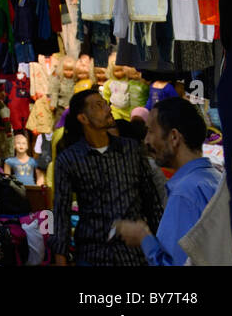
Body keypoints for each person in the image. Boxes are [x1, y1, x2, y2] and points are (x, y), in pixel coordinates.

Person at [50, 90, 164, 266]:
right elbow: (61, 214)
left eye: (105, 103)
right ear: (83, 118)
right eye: (98, 105)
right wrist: (60, 259)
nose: (107, 108)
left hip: (133, 256)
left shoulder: (131, 150)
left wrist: (161, 250)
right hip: (92, 254)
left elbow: (152, 203)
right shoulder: (69, 160)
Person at [115, 97, 221, 266]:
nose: (146, 140)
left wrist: (143, 238)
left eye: (150, 131)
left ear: (173, 137)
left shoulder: (185, 193)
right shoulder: (214, 178)